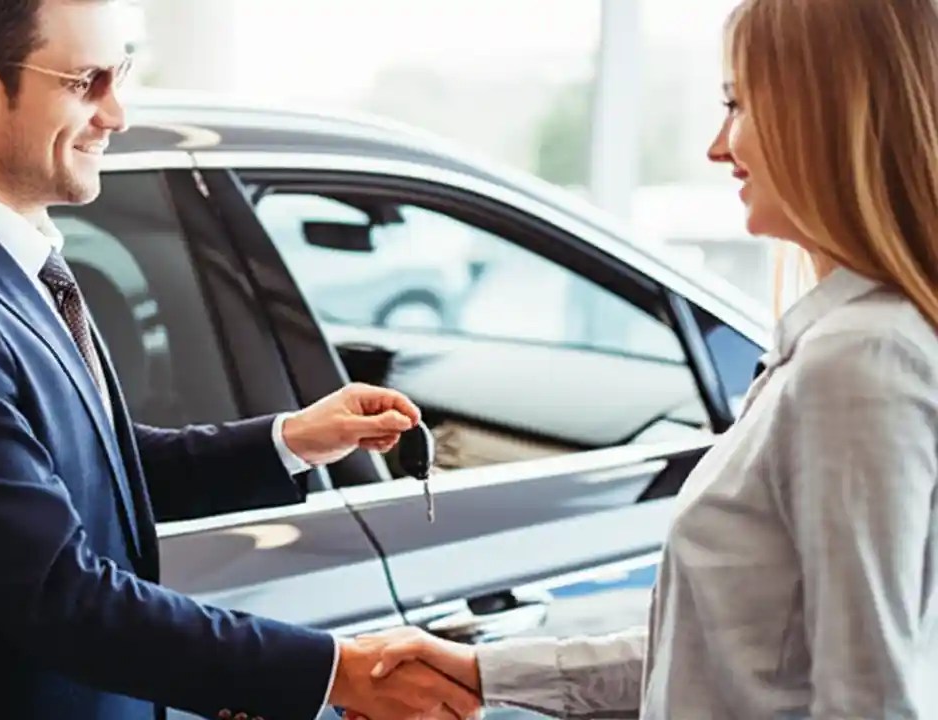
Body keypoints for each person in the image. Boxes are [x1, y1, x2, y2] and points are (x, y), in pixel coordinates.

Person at [0, 1, 482, 719]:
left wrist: (291, 440)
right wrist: (337, 670)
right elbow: (61, 597)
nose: (116, 113)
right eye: (84, 80)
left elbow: (95, 473)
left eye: (119, 74)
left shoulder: (5, 261)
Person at [356, 0, 938, 717]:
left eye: (739, 106)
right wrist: (488, 673)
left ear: (824, 116)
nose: (718, 148)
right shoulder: (844, 344)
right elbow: (724, 658)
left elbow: (870, 697)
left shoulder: (858, 362)